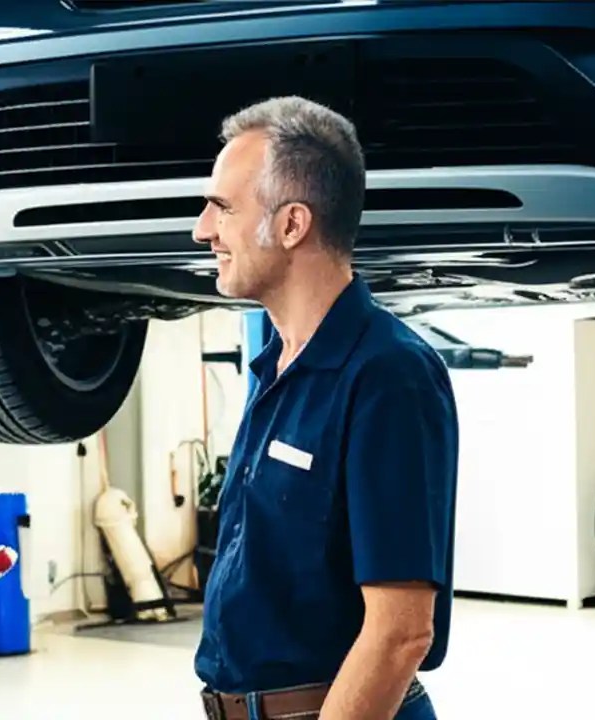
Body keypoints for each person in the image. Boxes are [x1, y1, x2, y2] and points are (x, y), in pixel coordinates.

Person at [189, 97, 459, 720]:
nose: (202, 230)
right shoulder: (276, 369)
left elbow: (402, 632)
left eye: (223, 208)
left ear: (291, 225)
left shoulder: (388, 375)